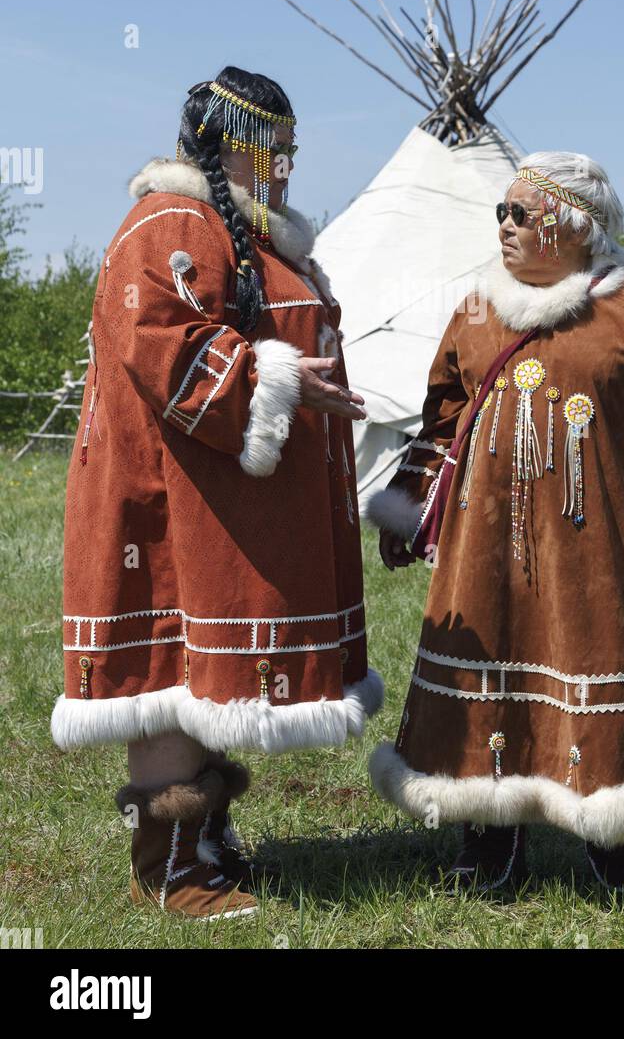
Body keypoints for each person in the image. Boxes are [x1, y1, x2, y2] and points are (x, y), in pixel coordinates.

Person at [51, 66, 382, 919]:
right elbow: (159, 337)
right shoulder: (166, 223)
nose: (287, 166)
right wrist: (274, 378)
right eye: (277, 149)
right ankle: (170, 869)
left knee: (206, 673)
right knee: (172, 668)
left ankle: (205, 838)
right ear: (235, 145)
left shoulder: (246, 232)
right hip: (161, 502)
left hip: (221, 504)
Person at [366, 152, 624, 902]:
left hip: (600, 545)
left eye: (520, 214)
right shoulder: (478, 309)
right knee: (490, 666)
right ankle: (489, 838)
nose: (504, 226)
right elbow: (442, 417)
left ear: (573, 228)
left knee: (602, 658)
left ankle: (619, 844)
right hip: (484, 545)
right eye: (499, 213)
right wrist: (409, 504)